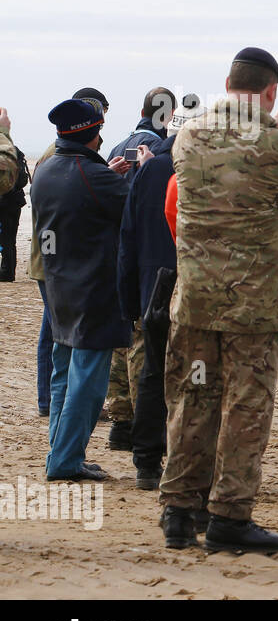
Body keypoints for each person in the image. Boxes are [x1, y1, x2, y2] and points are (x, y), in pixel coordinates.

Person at [158, 47, 278, 553]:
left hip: (194, 300)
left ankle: (179, 512)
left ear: (226, 82)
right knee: (245, 408)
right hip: (254, 307)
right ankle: (229, 516)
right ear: (271, 92)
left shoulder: (188, 136)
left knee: (192, 400)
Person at [30, 99, 132, 481]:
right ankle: (65, 460)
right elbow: (136, 212)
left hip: (58, 286)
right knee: (88, 383)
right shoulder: (94, 175)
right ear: (94, 132)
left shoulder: (47, 170)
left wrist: (106, 174)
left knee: (63, 374)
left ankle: (61, 452)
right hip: (94, 291)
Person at [116, 96, 202, 490]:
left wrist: (128, 299)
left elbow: (127, 240)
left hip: (153, 289)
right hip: (196, 292)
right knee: (197, 379)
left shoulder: (150, 172)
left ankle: (147, 462)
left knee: (153, 372)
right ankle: (190, 463)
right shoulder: (204, 169)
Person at [29, 89, 114, 417]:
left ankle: (50, 401)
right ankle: (51, 401)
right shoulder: (61, 154)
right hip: (53, 259)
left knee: (52, 329)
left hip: (50, 257)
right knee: (56, 332)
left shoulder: (62, 151)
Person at [103, 88, 177, 448]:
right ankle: (137, 426)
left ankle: (121, 422)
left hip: (122, 247)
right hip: (148, 253)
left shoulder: (121, 145)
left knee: (124, 339)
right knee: (142, 346)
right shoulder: (158, 152)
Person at [0, 117, 29, 280]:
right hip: (13, 202)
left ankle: (7, 272)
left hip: (6, 202)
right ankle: (7, 271)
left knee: (6, 238)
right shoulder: (13, 150)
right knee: (9, 238)